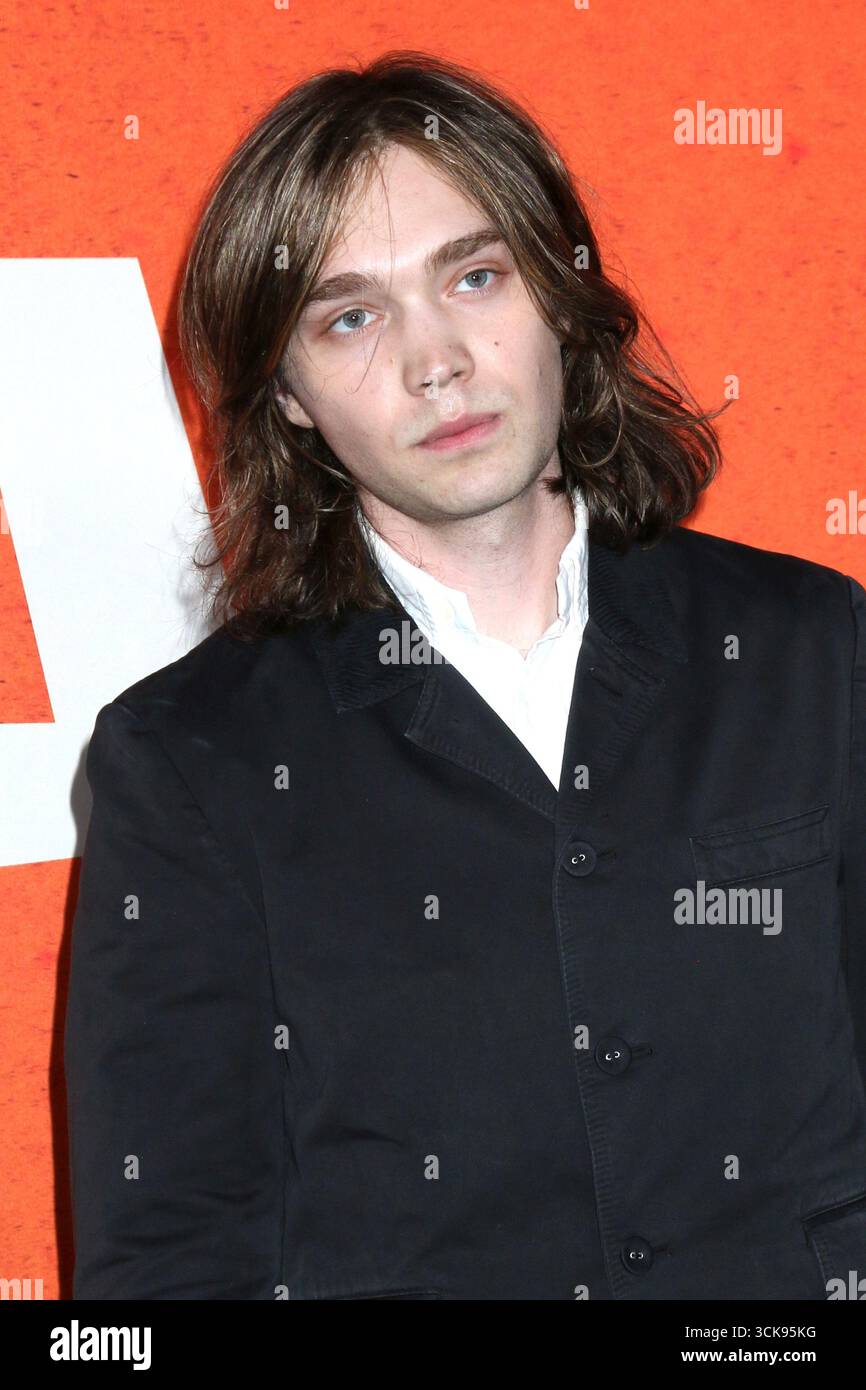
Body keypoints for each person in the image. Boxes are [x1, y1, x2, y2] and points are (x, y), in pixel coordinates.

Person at [64, 51, 866, 1301]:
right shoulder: (190, 761)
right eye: (349, 316)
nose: (433, 361)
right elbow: (168, 1257)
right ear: (286, 398)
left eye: (474, 277)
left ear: (557, 292)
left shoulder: (812, 650)